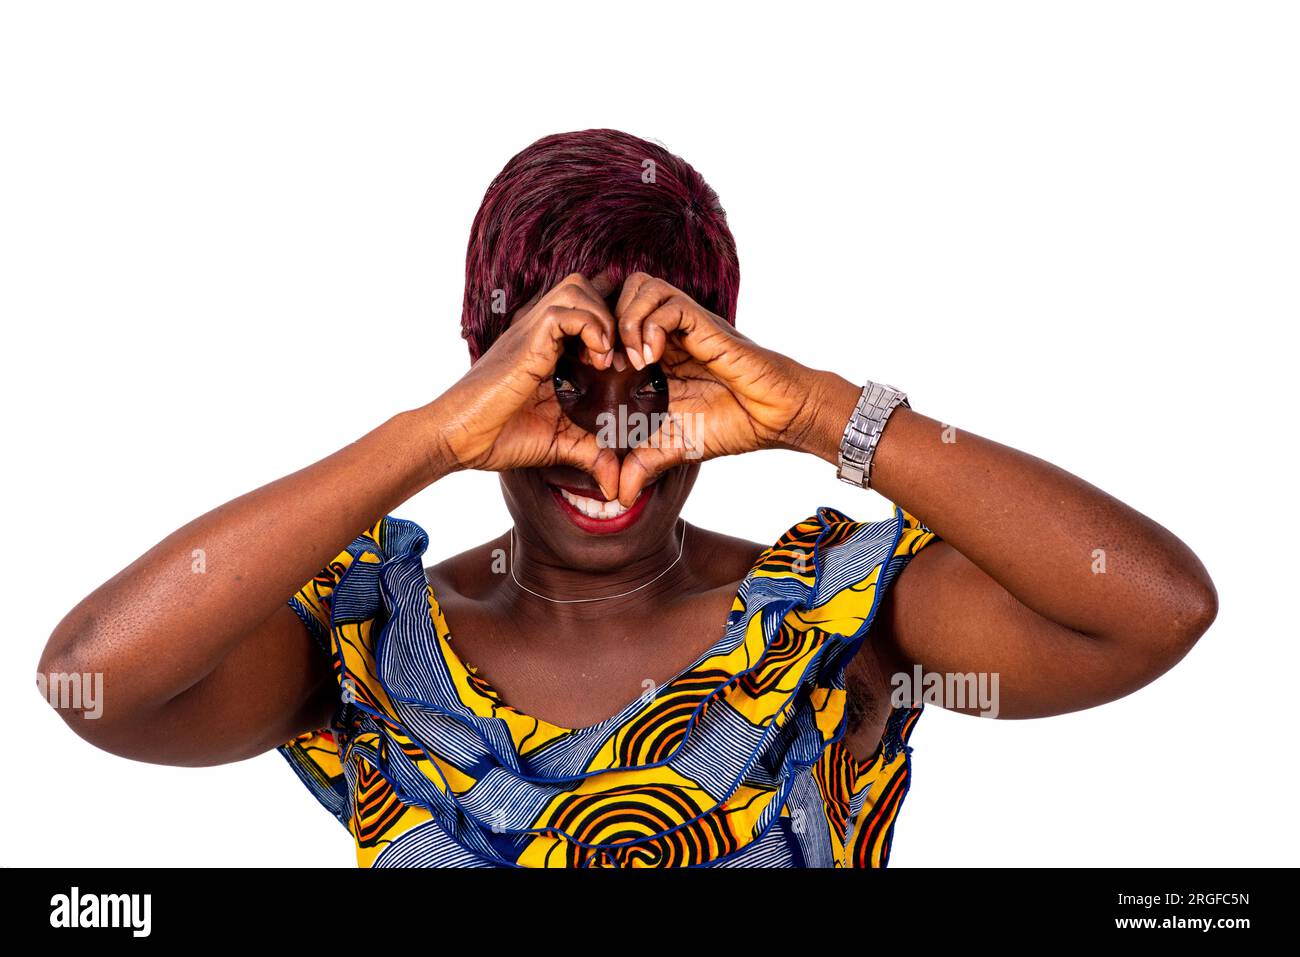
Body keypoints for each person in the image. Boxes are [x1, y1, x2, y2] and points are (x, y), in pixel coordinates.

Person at [38, 129, 1217, 868]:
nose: (607, 443)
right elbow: (94, 678)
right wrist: (425, 441)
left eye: (654, 390)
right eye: (554, 380)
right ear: (484, 372)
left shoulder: (839, 619)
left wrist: (818, 412)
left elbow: (1152, 605)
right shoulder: (368, 647)